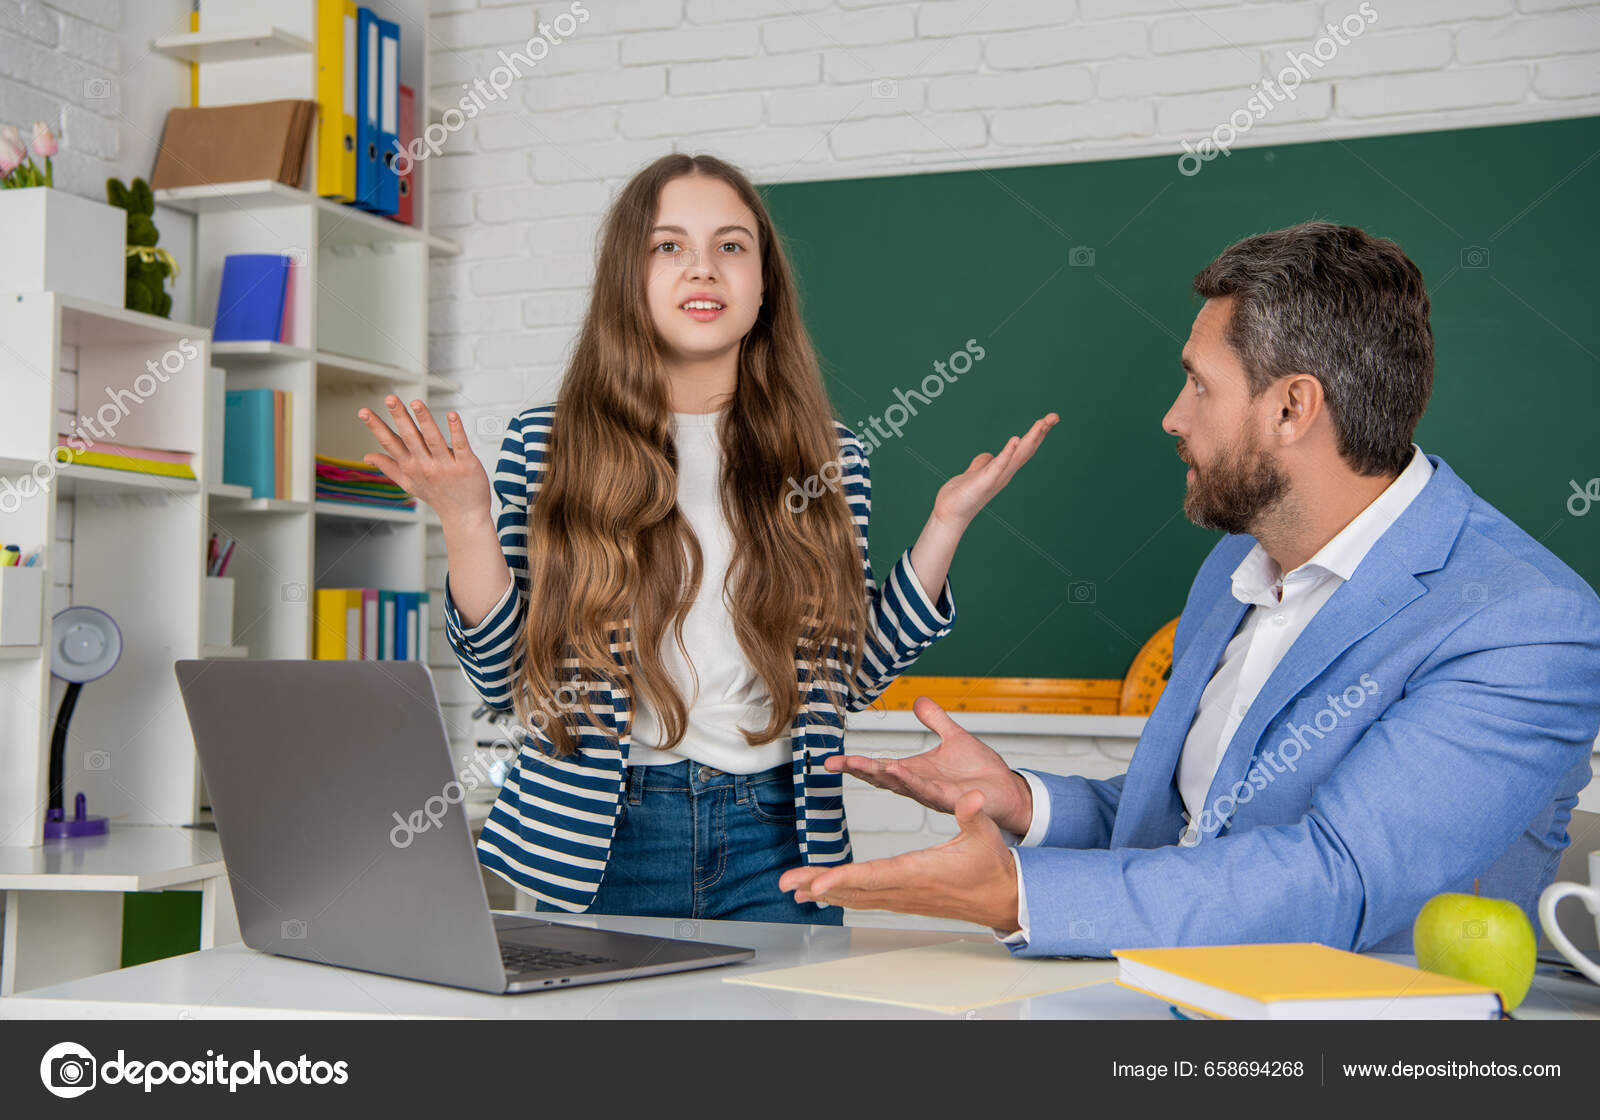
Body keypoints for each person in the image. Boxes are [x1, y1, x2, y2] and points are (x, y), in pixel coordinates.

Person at [780, 221, 1600, 957]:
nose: (1173, 417)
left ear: (1290, 409)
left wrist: (1018, 893)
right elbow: (1195, 824)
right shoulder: (1238, 566)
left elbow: (1336, 879)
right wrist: (1026, 804)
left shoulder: (1522, 622)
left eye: (1199, 385)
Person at [357, 152, 1057, 923]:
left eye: (731, 246)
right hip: (603, 836)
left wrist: (945, 524)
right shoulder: (549, 444)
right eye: (668, 247)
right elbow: (504, 677)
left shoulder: (828, 455)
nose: (703, 270)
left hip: (779, 839)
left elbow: (850, 676)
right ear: (630, 277)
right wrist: (463, 518)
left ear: (764, 285)